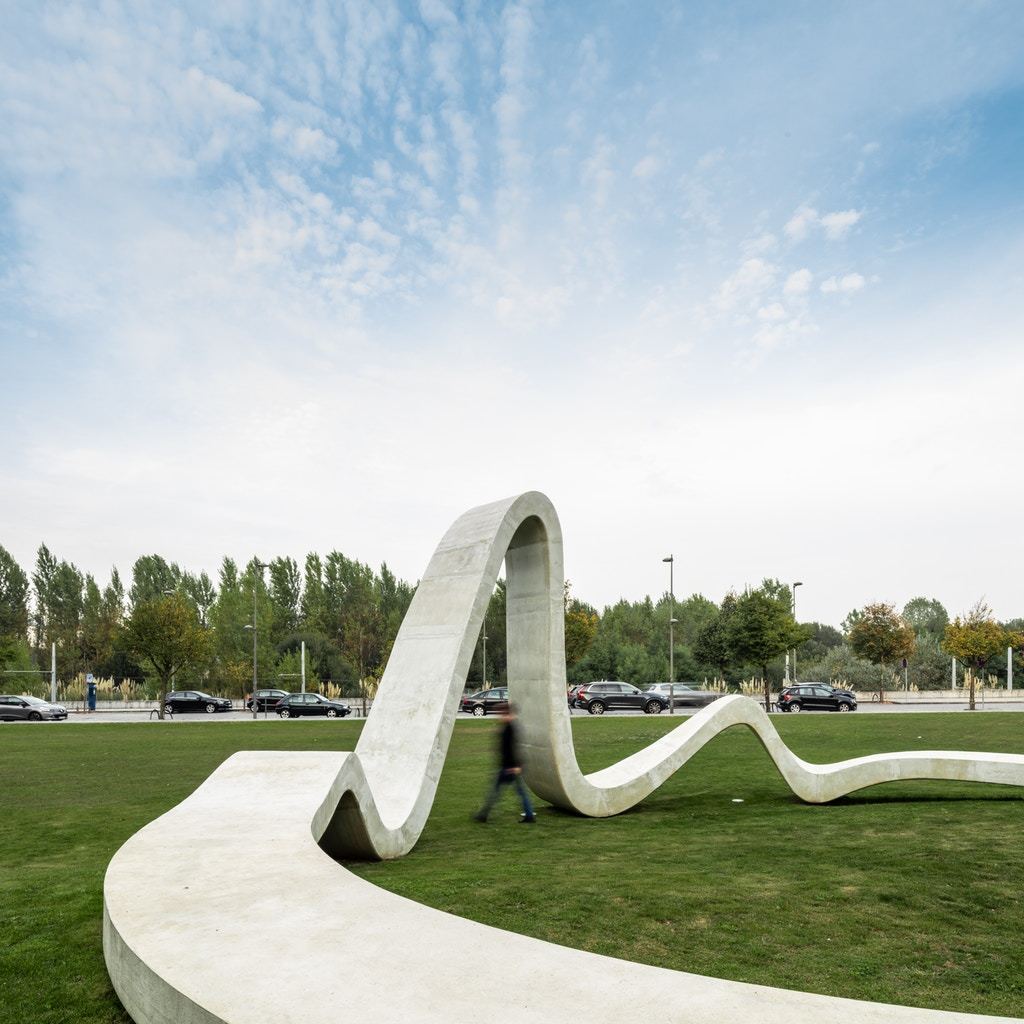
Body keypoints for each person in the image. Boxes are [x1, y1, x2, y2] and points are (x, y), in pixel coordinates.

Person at [474, 703, 535, 823]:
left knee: (497, 791)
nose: (499, 716)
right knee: (517, 792)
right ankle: (529, 815)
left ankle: (483, 814)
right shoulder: (508, 726)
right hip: (508, 766)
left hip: (509, 767)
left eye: (500, 714)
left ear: (506, 714)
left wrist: (517, 766)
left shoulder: (511, 728)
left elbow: (514, 749)